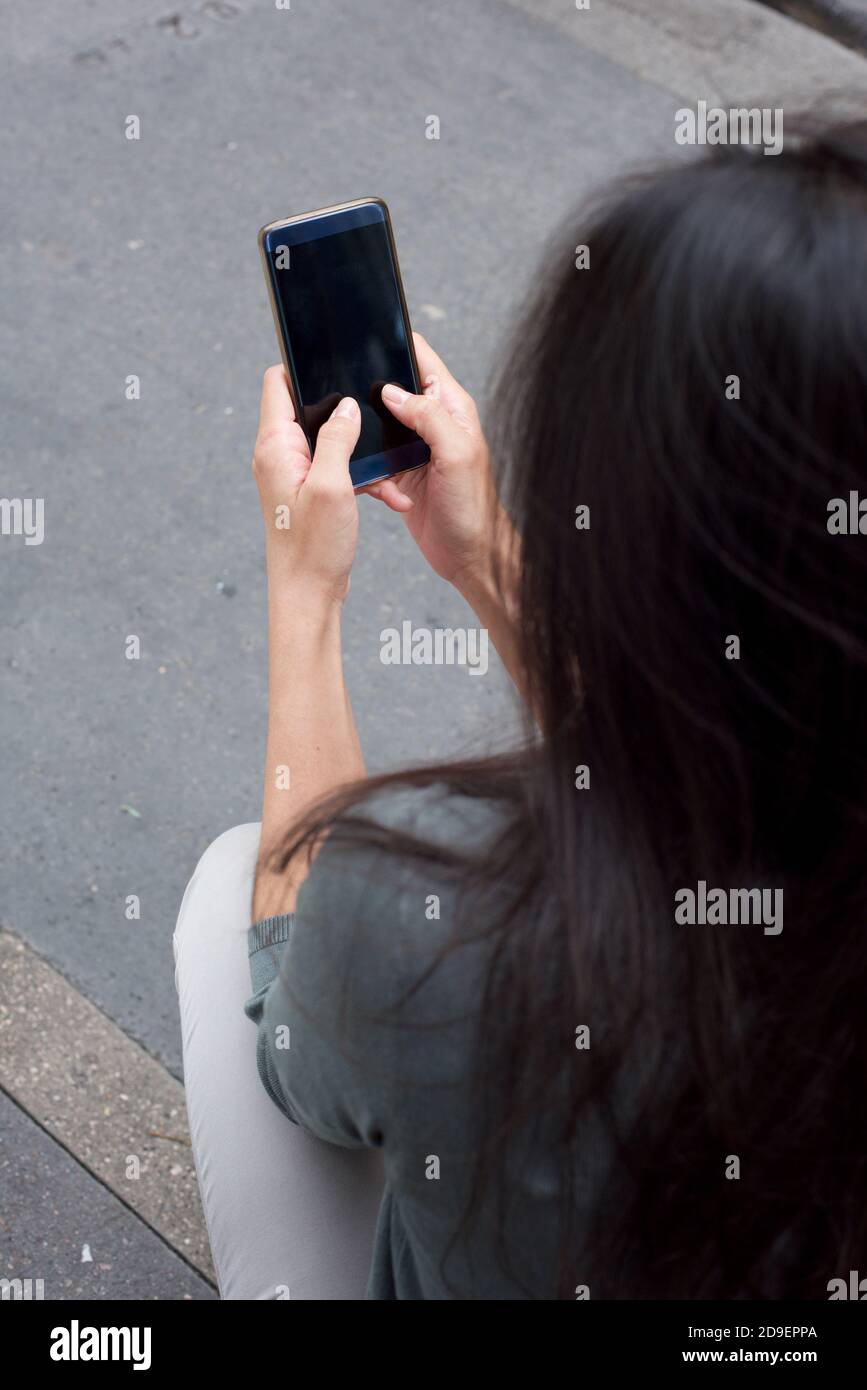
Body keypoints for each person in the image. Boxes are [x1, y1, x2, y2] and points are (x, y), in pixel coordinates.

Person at [174, 117, 867, 1300]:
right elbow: (706, 738)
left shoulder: (438, 913)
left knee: (229, 906)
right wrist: (485, 557)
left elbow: (291, 1022)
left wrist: (306, 594)